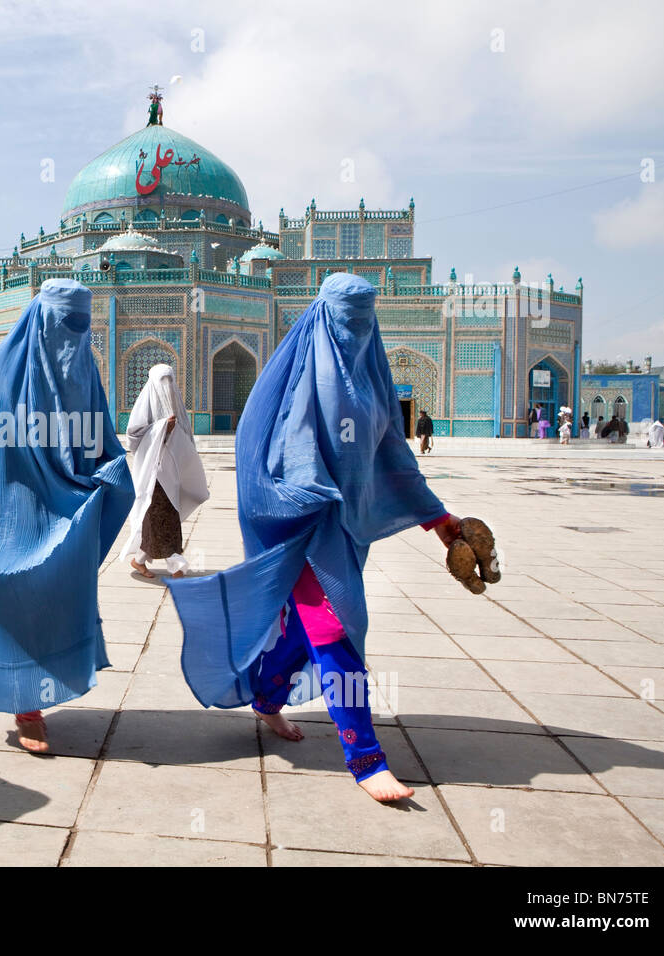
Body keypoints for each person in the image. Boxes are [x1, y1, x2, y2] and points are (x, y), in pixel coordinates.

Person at [168, 274, 462, 804]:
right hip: (301, 523)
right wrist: (305, 494)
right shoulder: (294, 377)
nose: (357, 329)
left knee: (309, 630)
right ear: (326, 315)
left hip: (344, 529)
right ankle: (366, 758)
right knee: (338, 627)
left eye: (365, 319)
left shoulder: (371, 377)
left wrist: (436, 518)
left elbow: (393, 450)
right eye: (348, 318)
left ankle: (266, 695)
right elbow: (271, 446)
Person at [0, 279, 134, 754]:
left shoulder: (84, 369)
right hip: (12, 510)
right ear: (41, 320)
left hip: (67, 505)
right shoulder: (2, 374)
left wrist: (104, 478)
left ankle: (40, 693)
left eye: (83, 326)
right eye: (66, 324)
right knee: (15, 596)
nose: (74, 336)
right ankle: (25, 704)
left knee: (58, 598)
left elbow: (98, 437)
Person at [123, 364, 208, 579]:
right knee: (161, 518)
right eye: (163, 381)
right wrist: (161, 428)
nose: (167, 386)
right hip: (153, 474)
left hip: (173, 473)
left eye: (170, 380)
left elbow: (186, 436)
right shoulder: (145, 404)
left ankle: (139, 559)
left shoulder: (176, 404)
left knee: (159, 520)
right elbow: (132, 438)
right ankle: (177, 565)